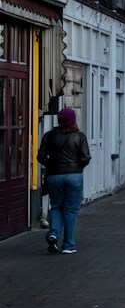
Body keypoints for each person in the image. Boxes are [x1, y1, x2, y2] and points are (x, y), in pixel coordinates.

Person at [38, 108, 90, 255]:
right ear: (73, 121)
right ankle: (68, 245)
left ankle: (53, 233)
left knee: (55, 206)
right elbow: (85, 157)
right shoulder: (79, 136)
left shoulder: (49, 136)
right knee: (71, 210)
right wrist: (77, 167)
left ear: (59, 121)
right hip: (74, 176)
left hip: (54, 176)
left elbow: (40, 156)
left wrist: (51, 165)